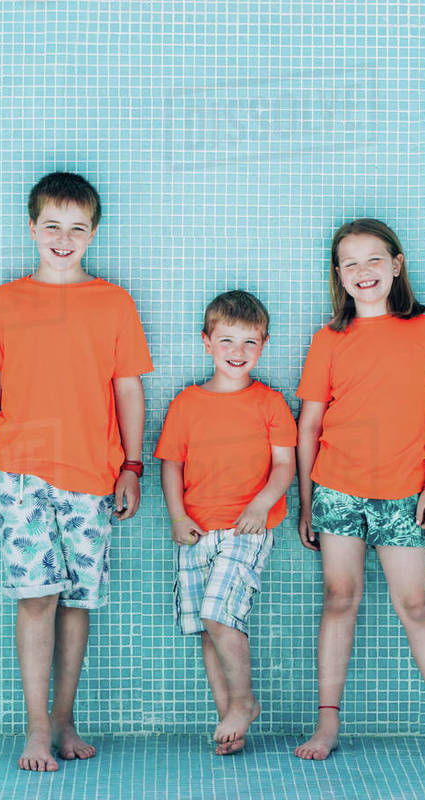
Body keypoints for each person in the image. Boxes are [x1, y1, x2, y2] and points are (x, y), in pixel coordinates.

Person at [0, 172, 153, 772]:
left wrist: (132, 466)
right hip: (19, 472)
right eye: (52, 227)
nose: (63, 239)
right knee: (36, 597)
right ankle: (37, 727)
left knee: (75, 602)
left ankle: (65, 717)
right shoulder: (5, 301)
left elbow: (129, 390)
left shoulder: (113, 302)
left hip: (92, 473)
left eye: (77, 228)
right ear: (32, 228)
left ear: (93, 233)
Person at [292, 219, 425, 766]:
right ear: (338, 276)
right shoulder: (328, 339)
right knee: (340, 600)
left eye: (373, 260)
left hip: (406, 491)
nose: (363, 272)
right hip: (336, 489)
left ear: (397, 265)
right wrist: (308, 502)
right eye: (350, 263)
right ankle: (327, 723)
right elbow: (309, 425)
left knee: (418, 605)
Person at [155, 290, 296, 755]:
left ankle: (243, 703)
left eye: (250, 343)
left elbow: (284, 466)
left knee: (220, 613)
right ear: (207, 342)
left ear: (264, 345)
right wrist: (177, 516)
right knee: (204, 627)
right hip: (195, 530)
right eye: (228, 341)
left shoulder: (270, 403)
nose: (238, 353)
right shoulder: (186, 403)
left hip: (246, 529)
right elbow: (171, 464)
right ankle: (230, 721)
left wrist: (262, 504)